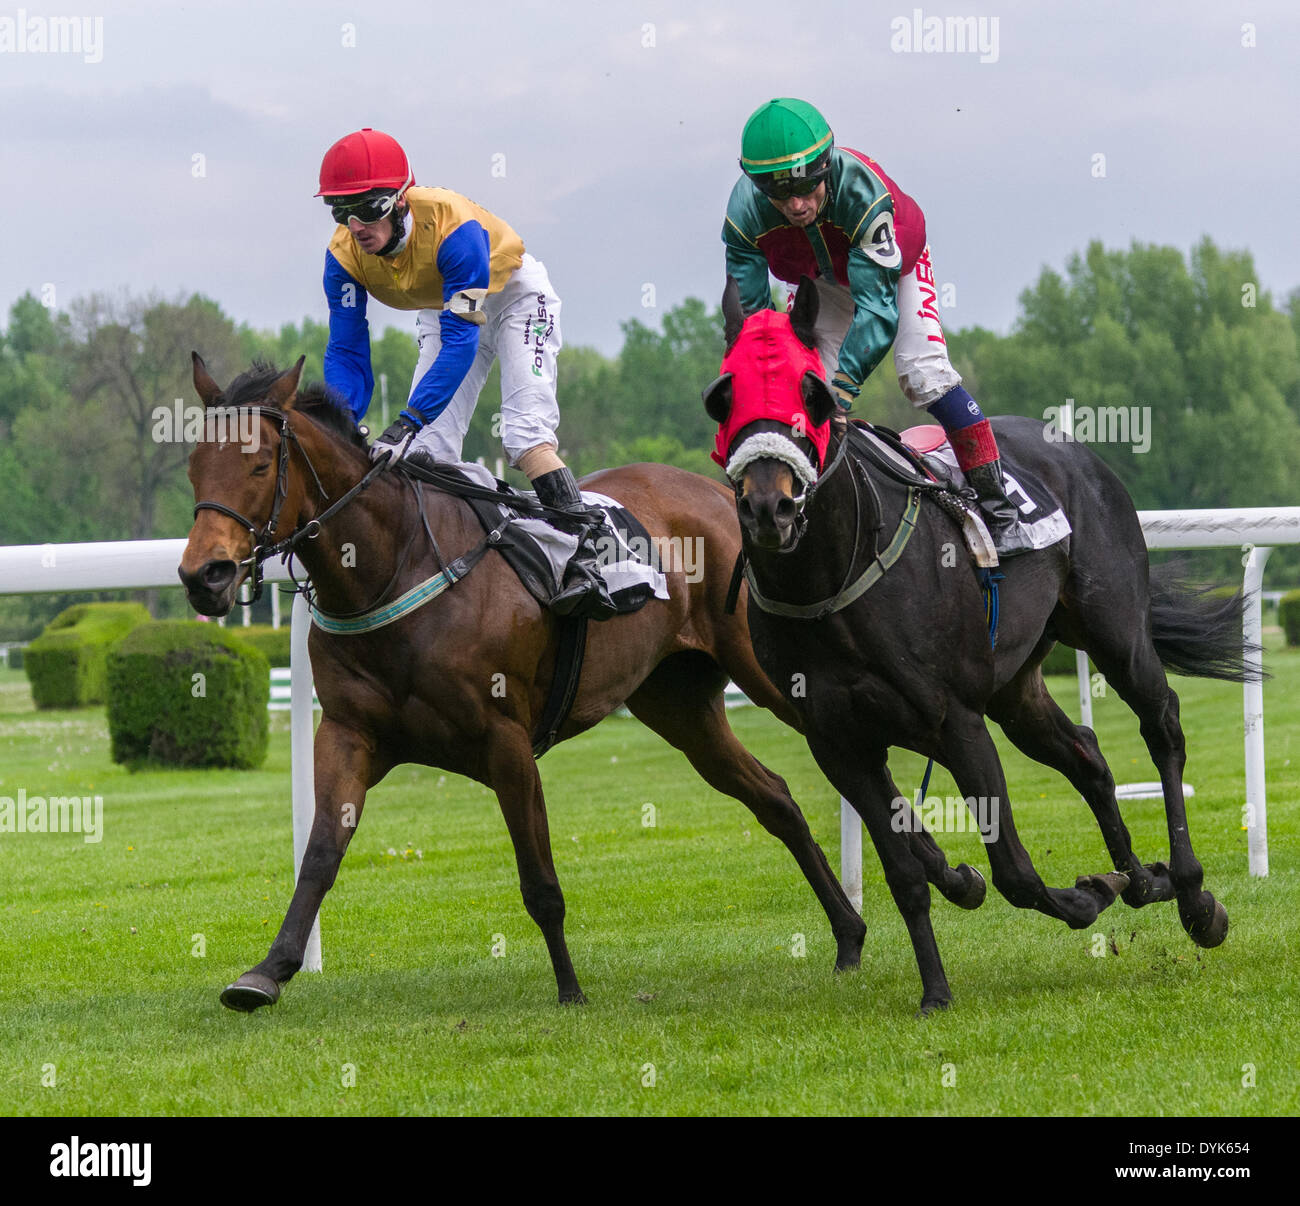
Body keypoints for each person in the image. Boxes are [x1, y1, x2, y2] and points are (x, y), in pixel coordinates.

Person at [316, 127, 611, 613]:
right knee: (427, 453)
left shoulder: (453, 227)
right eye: (340, 211)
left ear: (402, 201)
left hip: (515, 298)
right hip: (444, 307)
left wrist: (407, 419)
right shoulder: (341, 257)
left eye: (369, 208)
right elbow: (347, 351)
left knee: (524, 436)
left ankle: (592, 556)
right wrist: (340, 422)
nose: (356, 225)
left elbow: (461, 341)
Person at [723, 98, 1032, 556]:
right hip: (820, 282)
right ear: (757, 186)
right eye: (779, 193)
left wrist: (843, 395)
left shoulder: (863, 195)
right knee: (803, 392)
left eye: (807, 188)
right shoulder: (743, 215)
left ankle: (999, 506)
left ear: (826, 167)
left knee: (922, 374)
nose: (796, 204)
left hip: (890, 273)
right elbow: (753, 326)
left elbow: (877, 312)